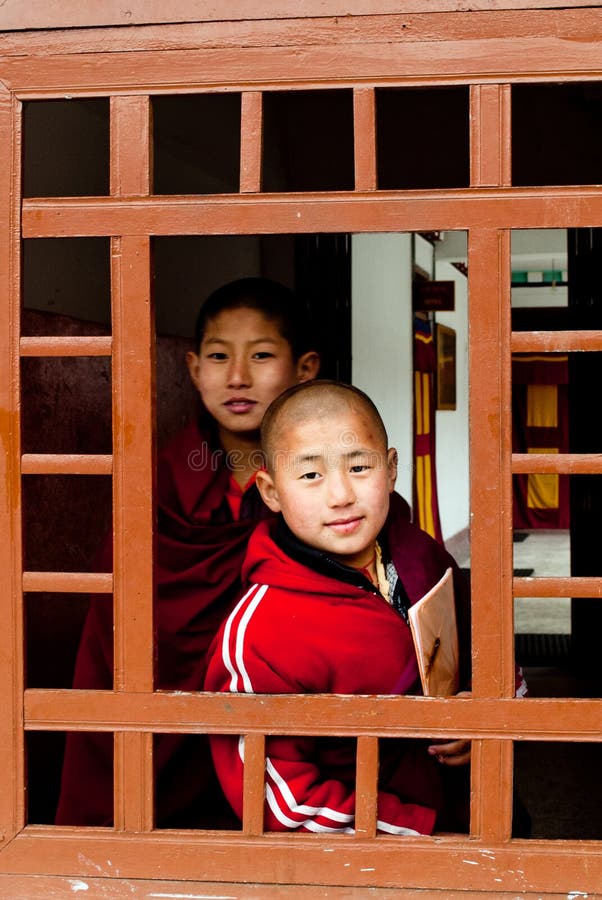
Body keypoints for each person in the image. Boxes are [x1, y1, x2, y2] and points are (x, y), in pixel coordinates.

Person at [55, 277, 321, 828]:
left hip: (297, 727)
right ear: (194, 368)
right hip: (170, 731)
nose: (238, 377)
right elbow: (116, 624)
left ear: (305, 368)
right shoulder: (162, 481)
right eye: (220, 356)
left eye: (262, 355)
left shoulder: (336, 479)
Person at [204, 379, 477, 835]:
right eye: (311, 475)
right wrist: (420, 831)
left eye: (359, 467)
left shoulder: (420, 553)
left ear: (391, 469)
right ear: (271, 492)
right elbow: (280, 799)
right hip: (374, 850)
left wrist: (479, 717)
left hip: (472, 806)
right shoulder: (260, 632)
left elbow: (478, 649)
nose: (341, 496)